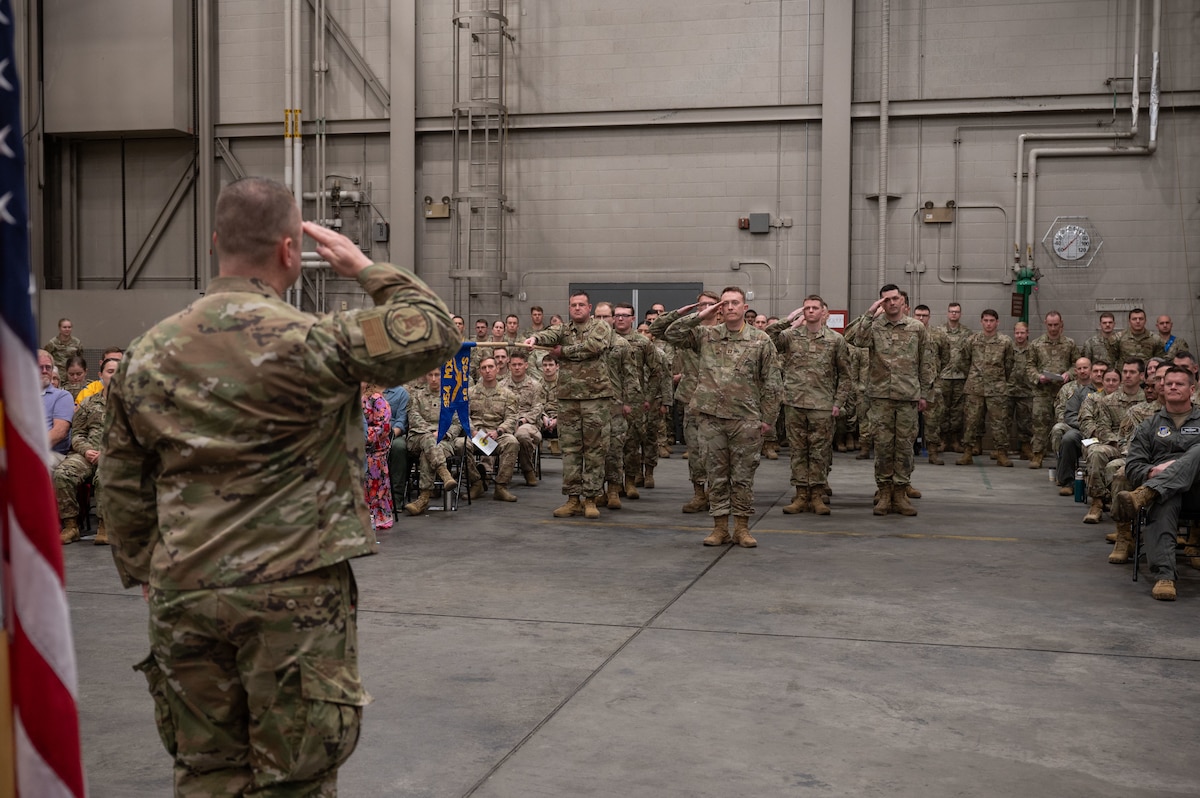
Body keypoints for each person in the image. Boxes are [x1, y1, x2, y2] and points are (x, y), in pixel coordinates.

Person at [99, 177, 458, 794]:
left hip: (186, 590)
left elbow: (122, 482)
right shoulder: (316, 343)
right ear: (292, 250)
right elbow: (433, 328)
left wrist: (146, 571)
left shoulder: (144, 355)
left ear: (217, 243)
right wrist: (365, 266)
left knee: (206, 773)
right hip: (293, 595)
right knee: (296, 779)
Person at [664, 286, 782, 547]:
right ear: (719, 309)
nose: (729, 307)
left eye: (735, 303)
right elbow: (668, 332)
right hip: (710, 418)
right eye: (725, 303)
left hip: (746, 419)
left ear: (744, 308)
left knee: (743, 476)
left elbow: (773, 383)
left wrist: (768, 420)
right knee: (716, 474)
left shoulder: (761, 340)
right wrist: (699, 313)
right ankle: (719, 527)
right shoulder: (706, 335)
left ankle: (741, 527)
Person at [845, 284, 934, 516]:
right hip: (880, 396)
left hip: (908, 396)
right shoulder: (874, 327)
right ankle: (884, 492)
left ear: (903, 301)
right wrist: (870, 312)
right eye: (886, 300)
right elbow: (853, 339)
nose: (892, 303)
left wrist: (926, 394)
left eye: (895, 299)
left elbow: (926, 362)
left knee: (904, 447)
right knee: (883, 447)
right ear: (881, 303)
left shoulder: (916, 328)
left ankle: (900, 493)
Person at [527, 290, 615, 519]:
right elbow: (549, 335)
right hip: (568, 399)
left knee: (594, 451)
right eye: (573, 305)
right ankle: (573, 498)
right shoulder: (564, 330)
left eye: (581, 305)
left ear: (589, 307)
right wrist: (535, 339)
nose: (577, 308)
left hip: (595, 399)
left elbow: (593, 347)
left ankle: (592, 499)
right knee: (570, 451)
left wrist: (563, 352)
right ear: (569, 308)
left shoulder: (601, 327)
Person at [1115, 366, 1200, 601]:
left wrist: (1172, 466)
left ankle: (1147, 492)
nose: (1172, 386)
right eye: (1169, 383)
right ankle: (1165, 576)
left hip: (1197, 489)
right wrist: (1152, 472)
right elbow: (1133, 465)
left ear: (1192, 389)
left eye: (1179, 383)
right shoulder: (1149, 426)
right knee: (1165, 497)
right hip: (1166, 492)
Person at [766, 295, 852, 515]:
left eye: (815, 308)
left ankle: (816, 495)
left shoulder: (835, 340)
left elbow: (845, 375)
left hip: (822, 405)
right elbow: (768, 336)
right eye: (807, 308)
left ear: (823, 312)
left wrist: (838, 402)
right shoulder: (791, 336)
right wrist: (790, 318)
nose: (811, 311)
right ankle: (801, 494)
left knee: (819, 452)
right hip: (795, 402)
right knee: (797, 451)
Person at [651, 291, 721, 513]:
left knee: (718, 452)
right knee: (695, 451)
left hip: (720, 402)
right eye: (701, 305)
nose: (705, 308)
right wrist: (684, 313)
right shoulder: (688, 333)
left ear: (719, 308)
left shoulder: (725, 333)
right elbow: (657, 330)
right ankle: (699, 493)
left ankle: (717, 493)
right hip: (693, 398)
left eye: (710, 305)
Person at [55, 354, 121, 545]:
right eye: (110, 372)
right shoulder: (88, 403)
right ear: (101, 375)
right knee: (63, 473)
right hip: (87, 454)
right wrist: (85, 451)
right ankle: (71, 526)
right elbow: (76, 434)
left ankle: (104, 526)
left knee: (105, 476)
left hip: (116, 456)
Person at [1080, 358, 1145, 524]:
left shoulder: (1147, 400)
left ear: (1142, 376)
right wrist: (1120, 443)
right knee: (1095, 452)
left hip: (1140, 447)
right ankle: (1097, 501)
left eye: (1132, 372)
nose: (1128, 375)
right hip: (1114, 444)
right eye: (1125, 372)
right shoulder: (1107, 401)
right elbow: (1103, 429)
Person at [954, 309, 1015, 467]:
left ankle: (1001, 453)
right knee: (971, 421)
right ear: (981, 322)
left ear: (997, 322)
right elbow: (963, 360)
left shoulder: (1005, 341)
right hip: (975, 388)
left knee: (999, 422)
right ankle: (967, 452)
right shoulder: (972, 340)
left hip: (997, 388)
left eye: (991, 321)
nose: (988, 324)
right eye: (986, 320)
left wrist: (1000, 379)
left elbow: (1009, 364)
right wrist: (973, 375)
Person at [402, 368, 462, 517]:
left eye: (437, 375)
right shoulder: (416, 396)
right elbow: (414, 418)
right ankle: (445, 474)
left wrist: (442, 433)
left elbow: (457, 423)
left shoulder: (451, 397)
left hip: (443, 441)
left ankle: (423, 499)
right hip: (418, 437)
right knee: (428, 440)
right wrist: (432, 432)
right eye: (430, 375)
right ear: (426, 376)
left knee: (427, 452)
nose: (434, 379)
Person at [1025, 311, 1079, 468]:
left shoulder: (1070, 343)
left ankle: (1062, 457)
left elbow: (1077, 363)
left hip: (1063, 392)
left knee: (1062, 424)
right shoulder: (1036, 344)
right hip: (1042, 391)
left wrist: (1069, 374)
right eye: (1050, 325)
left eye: (1056, 325)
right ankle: (1037, 454)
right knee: (1039, 423)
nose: (1053, 328)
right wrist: (1038, 377)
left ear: (1061, 323)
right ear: (1045, 324)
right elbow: (1029, 365)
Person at [469, 356, 520, 502]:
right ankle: (477, 482)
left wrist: (499, 431)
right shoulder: (469, 393)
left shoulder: (508, 394)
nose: (487, 371)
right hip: (476, 434)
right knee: (460, 445)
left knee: (512, 442)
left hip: (496, 433)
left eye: (491, 367)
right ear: (479, 371)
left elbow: (511, 418)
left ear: (497, 369)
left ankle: (501, 487)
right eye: (484, 368)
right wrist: (472, 431)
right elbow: (463, 416)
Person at [499, 350, 545, 486]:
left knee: (522, 435)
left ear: (526, 365)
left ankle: (528, 470)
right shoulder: (501, 386)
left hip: (528, 422)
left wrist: (523, 420)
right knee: (490, 433)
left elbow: (538, 408)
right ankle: (488, 470)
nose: (517, 367)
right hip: (506, 421)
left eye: (520, 364)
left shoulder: (535, 385)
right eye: (514, 365)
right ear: (509, 366)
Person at [361, 382, 394, 530]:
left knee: (371, 464)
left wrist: (363, 436)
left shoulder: (377, 400)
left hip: (374, 449)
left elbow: (384, 427)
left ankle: (377, 516)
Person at [38, 348, 73, 466]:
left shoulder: (62, 396)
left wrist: (29, 449)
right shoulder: (21, 395)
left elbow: (59, 432)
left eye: (48, 367)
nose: (44, 371)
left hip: (52, 453)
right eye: (40, 367)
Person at [383, 382, 410, 514]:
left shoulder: (401, 393)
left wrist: (391, 434)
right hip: (370, 432)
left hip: (393, 433)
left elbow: (402, 419)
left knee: (398, 447)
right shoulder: (365, 391)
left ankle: (397, 497)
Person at [1009, 322, 1034, 459]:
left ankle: (1026, 448)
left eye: (1022, 333)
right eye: (1017, 333)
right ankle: (1002, 449)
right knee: (1004, 421)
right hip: (1009, 389)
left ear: (1027, 333)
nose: (1019, 335)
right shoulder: (1008, 347)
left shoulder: (1033, 348)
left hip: (1026, 390)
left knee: (1026, 422)